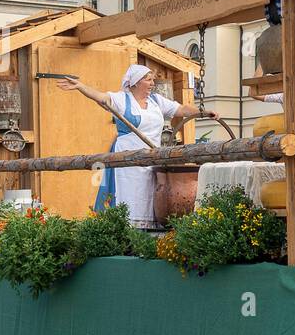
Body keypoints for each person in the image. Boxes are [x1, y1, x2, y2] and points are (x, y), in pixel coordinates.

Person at [58, 64, 214, 226]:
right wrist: (81, 87)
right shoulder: (122, 99)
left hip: (151, 159)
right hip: (125, 161)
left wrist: (202, 113)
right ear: (135, 83)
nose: (153, 83)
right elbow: (101, 98)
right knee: (127, 194)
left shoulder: (156, 101)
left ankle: (146, 230)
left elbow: (180, 110)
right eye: (148, 80)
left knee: (147, 194)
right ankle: (126, 229)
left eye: (153, 79)